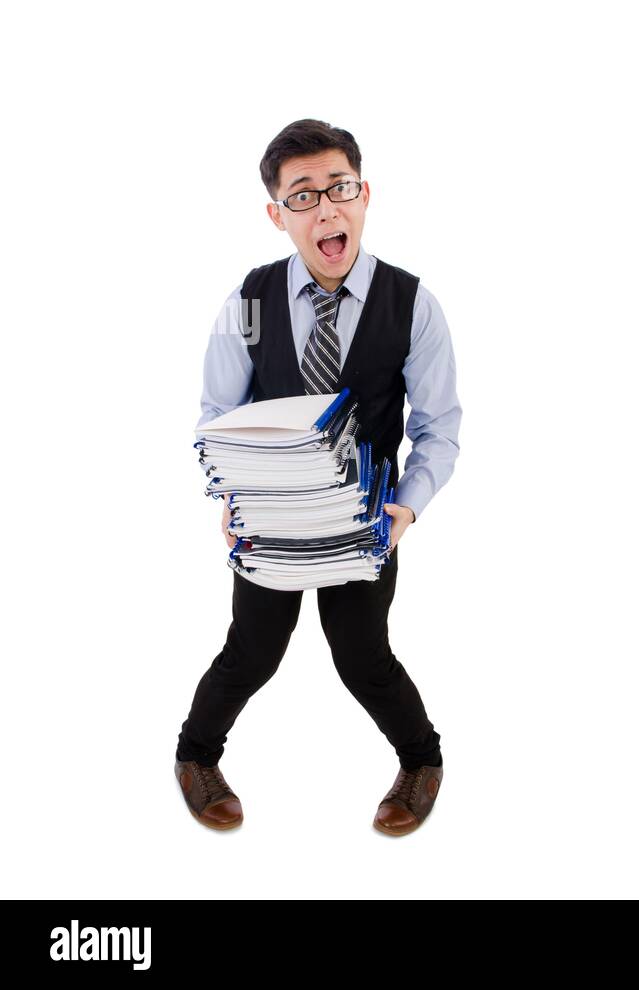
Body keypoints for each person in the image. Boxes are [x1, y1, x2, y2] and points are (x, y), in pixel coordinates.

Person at [174, 119, 462, 837]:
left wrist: (409, 508)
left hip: (367, 519)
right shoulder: (248, 297)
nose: (327, 208)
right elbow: (218, 410)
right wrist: (235, 493)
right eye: (304, 195)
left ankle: (421, 761)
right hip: (272, 515)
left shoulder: (414, 304)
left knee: (363, 655)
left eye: (340, 188)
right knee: (252, 650)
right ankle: (194, 755)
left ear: (365, 195)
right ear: (278, 215)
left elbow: (439, 427)